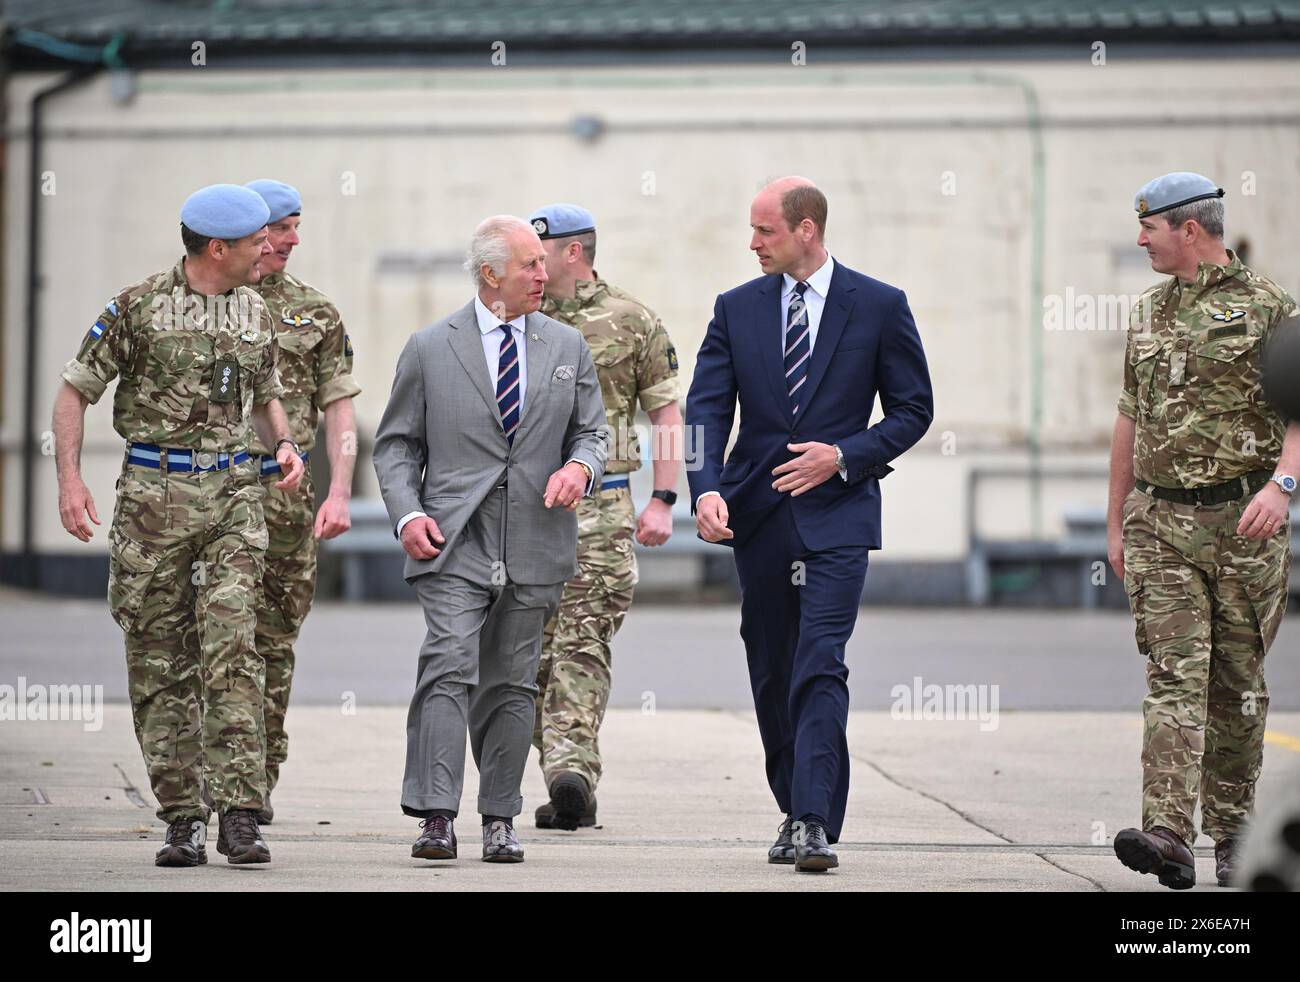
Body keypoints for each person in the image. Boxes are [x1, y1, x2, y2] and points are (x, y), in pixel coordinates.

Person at [52, 184, 305, 866]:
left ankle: (241, 813)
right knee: (160, 659)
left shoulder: (257, 308)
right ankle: (183, 818)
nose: (271, 250)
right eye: (258, 241)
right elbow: (75, 390)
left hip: (233, 497)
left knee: (233, 646)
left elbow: (266, 395)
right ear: (216, 248)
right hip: (151, 502)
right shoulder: (136, 309)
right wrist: (69, 482)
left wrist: (281, 443)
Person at [685, 176, 933, 871]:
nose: (753, 242)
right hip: (757, 519)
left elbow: (914, 409)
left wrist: (845, 456)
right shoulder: (736, 310)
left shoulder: (879, 306)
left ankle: (814, 820)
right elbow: (705, 411)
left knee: (821, 662)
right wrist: (704, 490)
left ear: (807, 230)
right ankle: (792, 804)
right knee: (772, 667)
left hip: (839, 519)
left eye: (765, 230)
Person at [373, 215, 607, 863]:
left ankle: (499, 818)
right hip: (452, 538)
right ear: (490, 275)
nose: (544, 273)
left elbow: (593, 432)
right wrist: (405, 514)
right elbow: (395, 448)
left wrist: (580, 467)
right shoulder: (428, 348)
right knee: (448, 664)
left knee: (512, 683)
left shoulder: (568, 346)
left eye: (543, 263)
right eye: (531, 263)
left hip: (535, 538)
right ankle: (436, 815)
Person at [1108, 171, 1297, 889]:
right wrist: (1117, 523)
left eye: (1149, 226)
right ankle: (1167, 831)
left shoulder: (1272, 308)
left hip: (1244, 523)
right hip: (1159, 520)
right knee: (1174, 674)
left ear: (1191, 228)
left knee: (1236, 685)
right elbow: (1128, 421)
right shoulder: (1148, 312)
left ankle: (1234, 833)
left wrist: (1283, 487)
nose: (1140, 238)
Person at [526, 203, 682, 830]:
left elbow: (667, 414)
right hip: (522, 510)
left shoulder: (632, 319)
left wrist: (665, 500)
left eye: (543, 253)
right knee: (528, 652)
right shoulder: (514, 316)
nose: (533, 265)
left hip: (601, 507)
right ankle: (564, 765)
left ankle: (570, 773)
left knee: (581, 641)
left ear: (575, 251)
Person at [244, 179, 362, 823]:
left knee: (273, 639)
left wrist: (340, 489)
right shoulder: (198, 303)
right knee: (205, 639)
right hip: (204, 493)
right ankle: (209, 772)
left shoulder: (314, 313)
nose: (293, 239)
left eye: (296, 226)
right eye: (281, 227)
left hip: (286, 502)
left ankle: (256, 776)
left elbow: (339, 407)